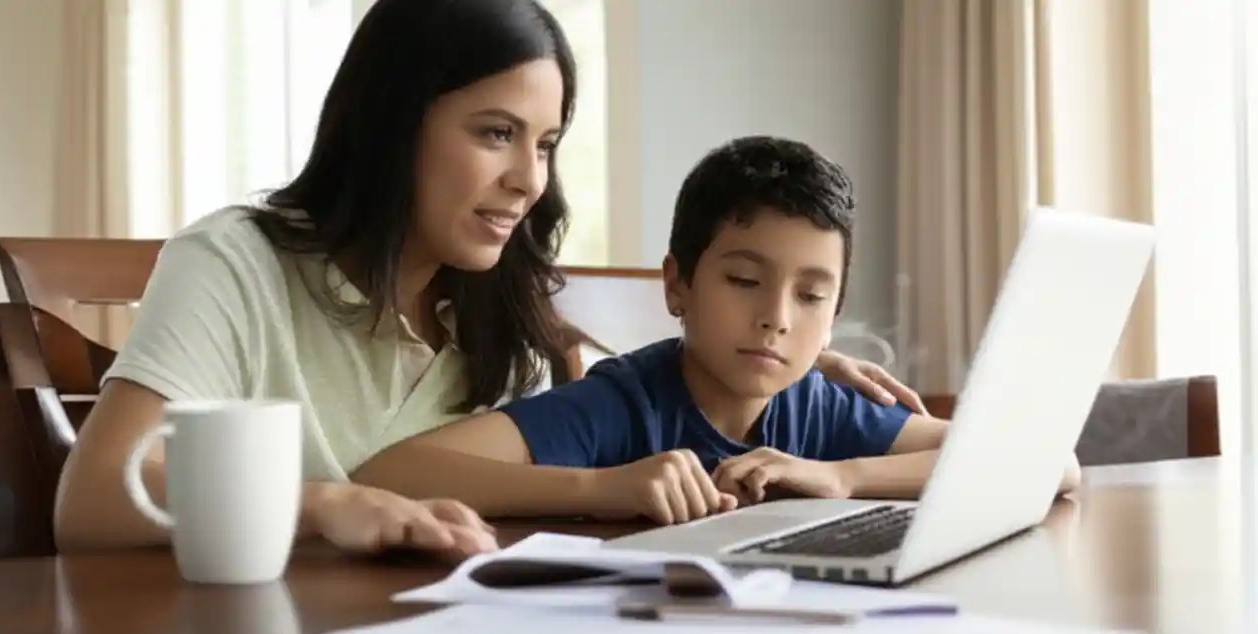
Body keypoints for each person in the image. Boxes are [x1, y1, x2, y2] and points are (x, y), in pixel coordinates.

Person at [54, 0, 924, 557]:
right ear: (395, 124)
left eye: (544, 145)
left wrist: (800, 360)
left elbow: (647, 391)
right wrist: (323, 504)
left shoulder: (506, 308)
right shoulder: (234, 262)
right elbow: (94, 500)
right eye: (496, 133)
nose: (530, 180)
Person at [376, 136, 1081, 524]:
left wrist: (843, 476)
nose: (777, 315)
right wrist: (603, 489)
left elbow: (1052, 462)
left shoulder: (815, 408)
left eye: (812, 294)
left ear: (833, 316)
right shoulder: (623, 404)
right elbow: (390, 475)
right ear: (678, 285)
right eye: (744, 281)